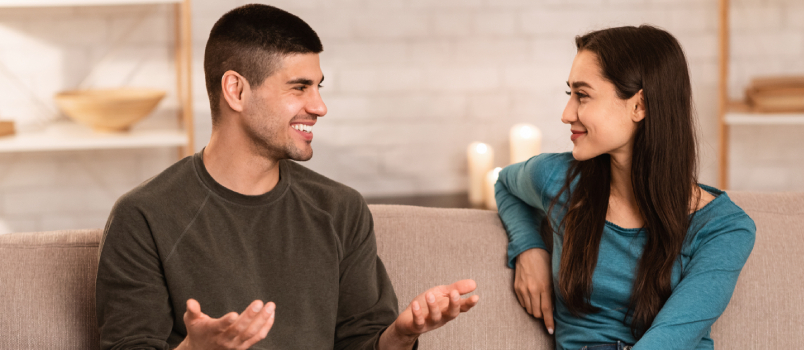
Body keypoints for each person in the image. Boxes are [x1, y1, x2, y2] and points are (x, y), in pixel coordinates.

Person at [95, 4, 479, 350]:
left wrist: (401, 334)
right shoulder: (145, 216)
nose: (319, 106)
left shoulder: (341, 209)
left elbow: (361, 342)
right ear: (236, 90)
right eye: (299, 88)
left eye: (318, 87)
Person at [495, 25, 755, 350]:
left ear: (639, 106)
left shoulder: (724, 228)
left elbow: (672, 339)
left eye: (583, 95)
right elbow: (505, 184)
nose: (566, 114)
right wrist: (530, 247)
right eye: (569, 94)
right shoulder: (559, 179)